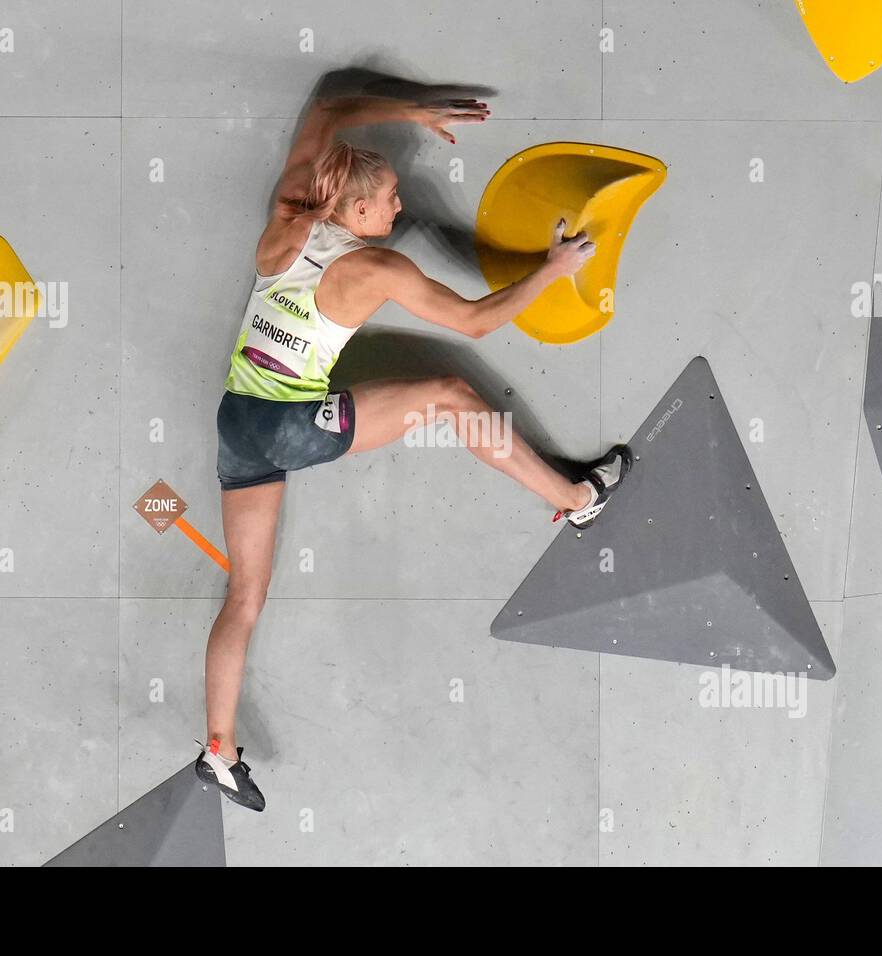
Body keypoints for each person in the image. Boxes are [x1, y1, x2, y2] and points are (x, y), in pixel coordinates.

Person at [195, 94, 633, 810]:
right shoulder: (375, 268)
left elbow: (325, 110)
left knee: (245, 596)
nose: (401, 208)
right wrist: (554, 269)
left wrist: (412, 108)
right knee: (452, 394)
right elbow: (476, 322)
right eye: (392, 198)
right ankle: (577, 499)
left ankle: (218, 751)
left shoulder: (288, 211)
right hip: (290, 424)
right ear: (359, 210)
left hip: (237, 420)